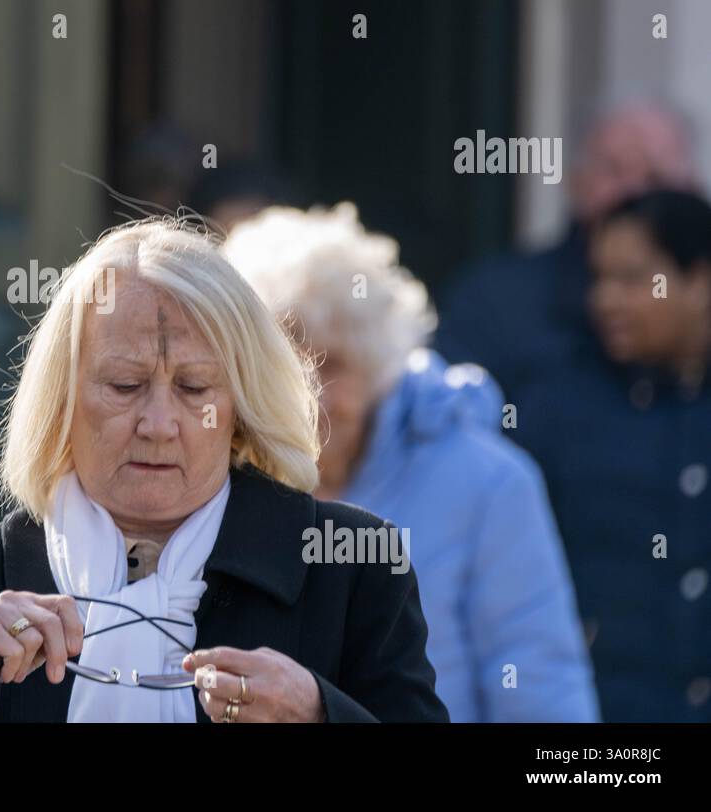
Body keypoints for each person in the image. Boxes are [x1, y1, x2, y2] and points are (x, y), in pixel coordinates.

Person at [0, 217, 448, 722]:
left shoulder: (349, 566)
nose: (159, 422)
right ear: (63, 402)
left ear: (239, 407)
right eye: (124, 385)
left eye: (193, 387)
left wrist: (319, 713)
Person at [223, 203, 598, 721]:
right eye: (285, 367)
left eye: (333, 365)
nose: (310, 398)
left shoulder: (488, 482)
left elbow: (537, 675)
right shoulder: (213, 479)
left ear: (380, 363)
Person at [512, 189, 711, 720]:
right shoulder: (555, 407)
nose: (607, 300)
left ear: (699, 282)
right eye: (600, 279)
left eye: (632, 279)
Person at [435, 102, 700, 408]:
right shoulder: (493, 302)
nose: (633, 190)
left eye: (654, 175)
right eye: (613, 170)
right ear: (576, 179)